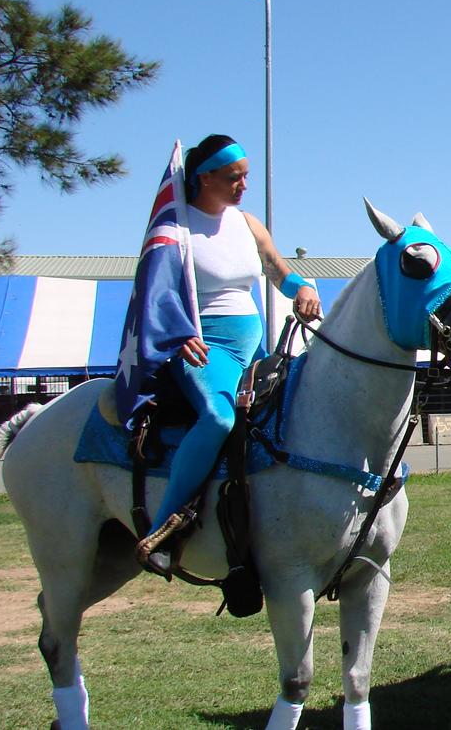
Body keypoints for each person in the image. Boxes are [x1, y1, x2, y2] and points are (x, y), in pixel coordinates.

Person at [136, 134, 322, 575]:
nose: (243, 186)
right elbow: (154, 291)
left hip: (253, 348)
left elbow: (278, 268)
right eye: (233, 178)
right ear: (204, 178)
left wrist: (305, 287)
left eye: (246, 177)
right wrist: (176, 333)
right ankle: (165, 528)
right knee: (219, 418)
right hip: (204, 348)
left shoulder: (247, 223)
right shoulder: (174, 229)